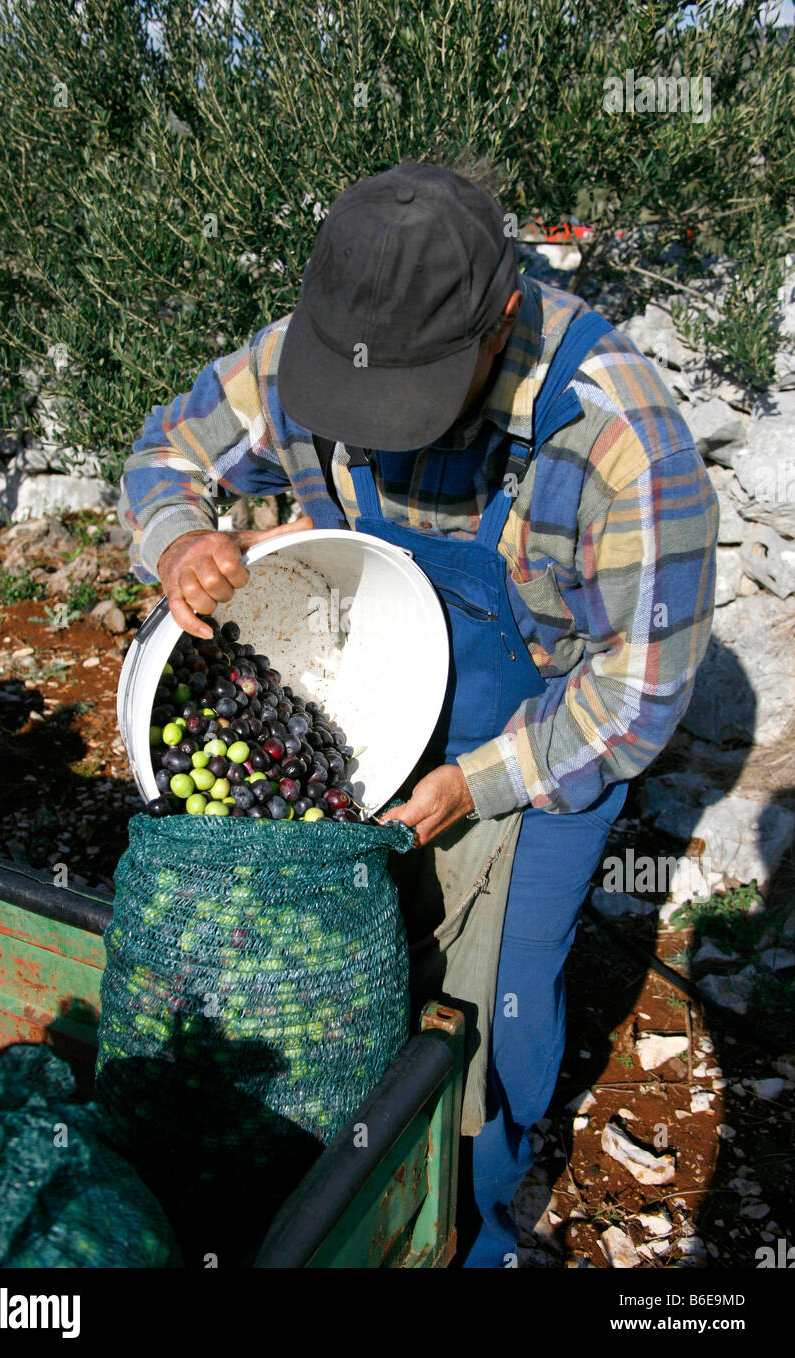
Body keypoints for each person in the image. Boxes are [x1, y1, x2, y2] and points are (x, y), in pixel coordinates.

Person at [118, 159, 718, 1267]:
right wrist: (179, 539)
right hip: (368, 694)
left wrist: (479, 781)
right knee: (348, 959)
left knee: (491, 1022)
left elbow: (638, 696)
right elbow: (164, 452)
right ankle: (340, 1181)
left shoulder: (619, 439)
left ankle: (468, 1231)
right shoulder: (307, 346)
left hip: (537, 734)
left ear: (499, 319)